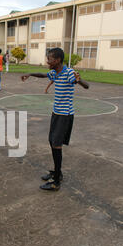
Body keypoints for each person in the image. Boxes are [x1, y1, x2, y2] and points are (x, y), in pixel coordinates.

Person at [21, 47, 89, 191]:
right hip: (56, 113)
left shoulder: (69, 72)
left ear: (57, 60)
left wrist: (80, 80)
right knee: (52, 141)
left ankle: (56, 181)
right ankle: (57, 172)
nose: (47, 61)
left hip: (65, 115)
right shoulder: (55, 72)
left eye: (50, 58)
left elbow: (86, 86)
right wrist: (29, 73)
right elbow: (43, 75)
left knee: (56, 145)